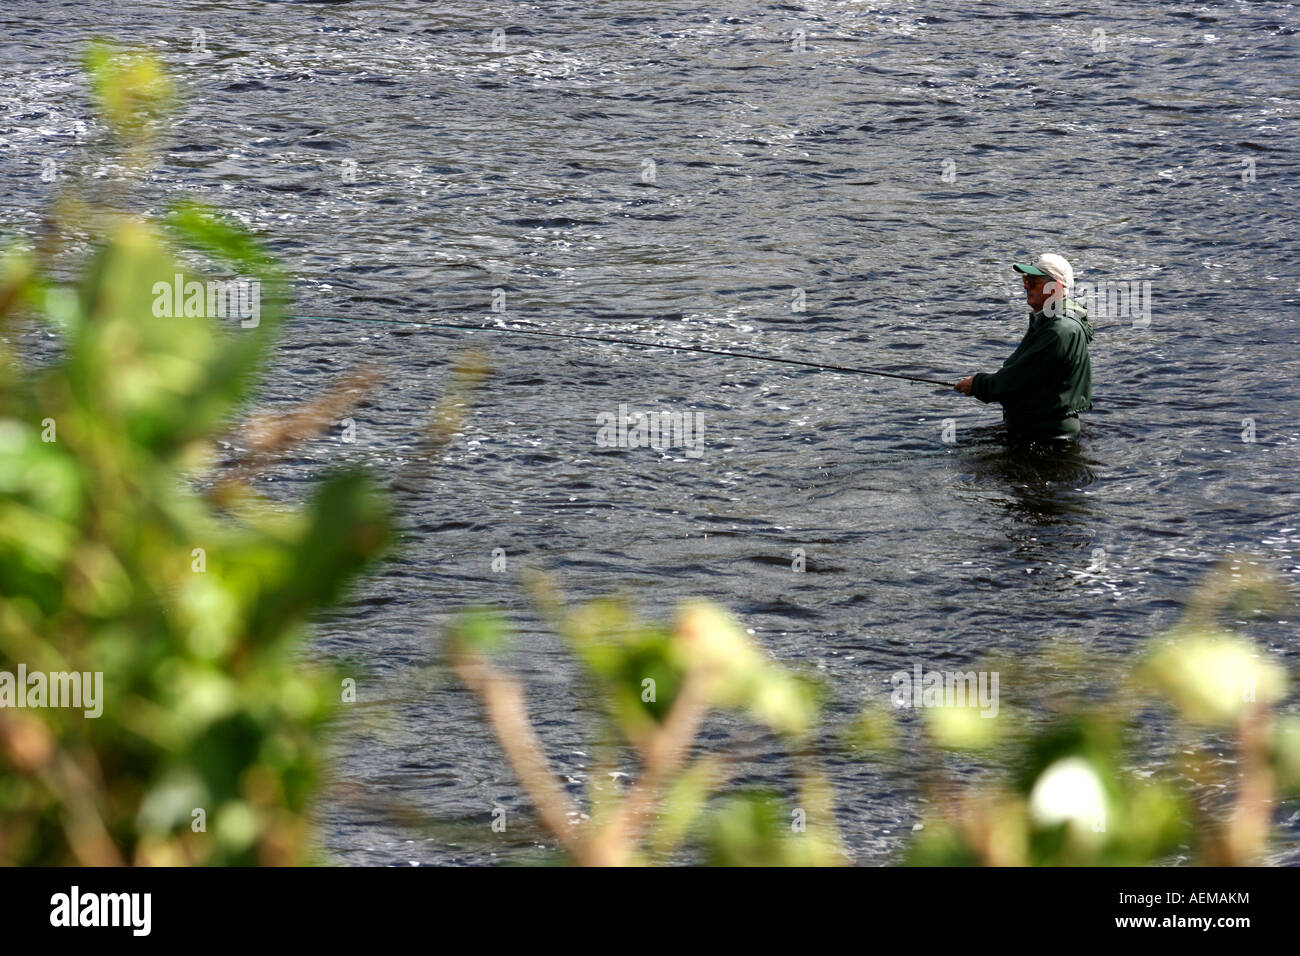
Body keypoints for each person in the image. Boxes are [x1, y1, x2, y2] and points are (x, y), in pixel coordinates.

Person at [954, 253, 1093, 442]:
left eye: (1033, 281)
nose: (1026, 285)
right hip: (1038, 430)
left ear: (1056, 287)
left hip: (1047, 437)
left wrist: (977, 385)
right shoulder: (1047, 319)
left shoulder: (1059, 329)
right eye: (1025, 279)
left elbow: (1018, 378)